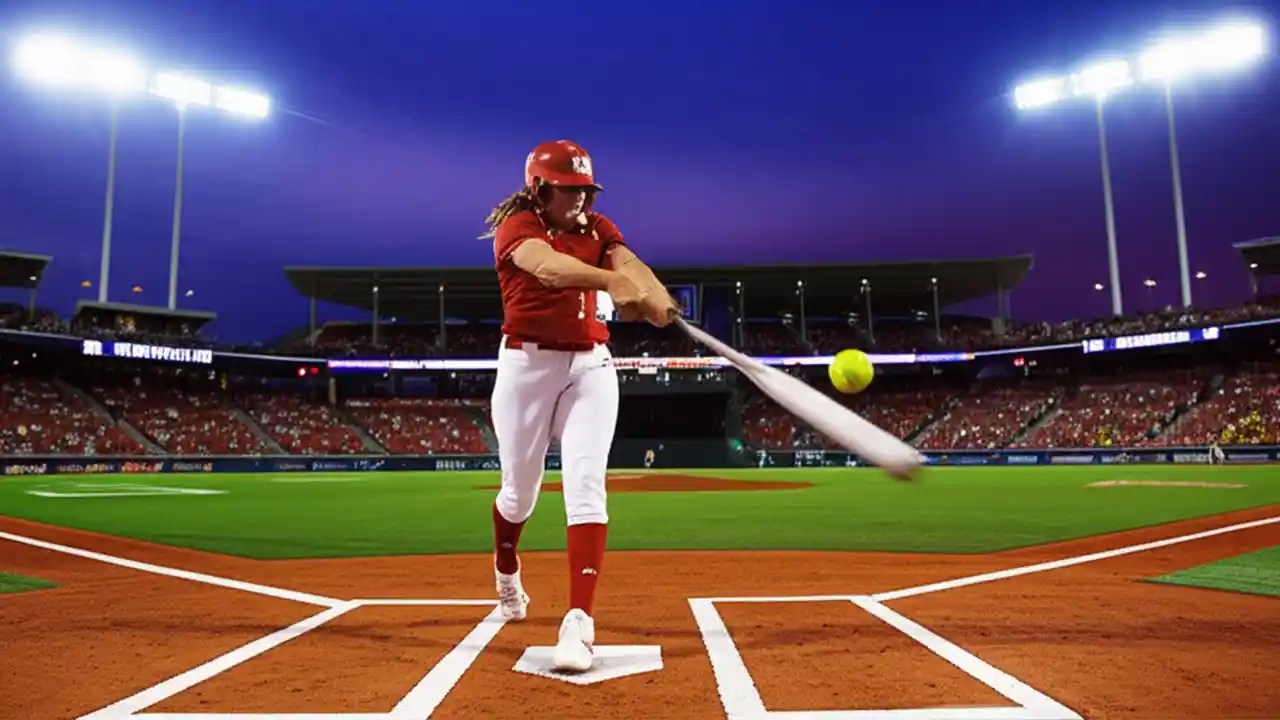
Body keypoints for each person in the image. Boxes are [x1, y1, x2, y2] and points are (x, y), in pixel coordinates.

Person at [480, 139, 679, 672]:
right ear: (539, 188)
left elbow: (629, 260)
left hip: (591, 364)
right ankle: (506, 566)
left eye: (586, 190)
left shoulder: (598, 227)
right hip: (527, 367)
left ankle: (579, 622)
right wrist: (616, 284)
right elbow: (548, 269)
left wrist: (658, 296)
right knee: (519, 497)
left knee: (586, 487)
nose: (580, 200)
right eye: (569, 191)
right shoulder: (518, 227)